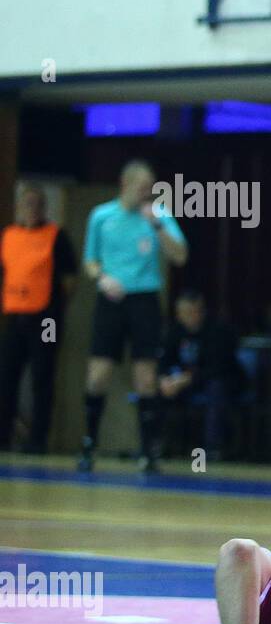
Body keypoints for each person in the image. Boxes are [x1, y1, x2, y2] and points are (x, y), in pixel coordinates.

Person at [79, 160, 188, 473]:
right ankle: (88, 444)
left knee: (145, 376)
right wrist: (102, 278)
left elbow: (180, 256)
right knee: (98, 372)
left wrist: (157, 225)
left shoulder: (160, 215)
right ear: (125, 184)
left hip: (145, 300)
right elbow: (90, 261)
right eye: (142, 187)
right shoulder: (102, 216)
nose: (146, 193)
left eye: (150, 188)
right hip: (111, 300)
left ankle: (149, 450)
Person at [0, 183, 78, 453]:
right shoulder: (8, 235)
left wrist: (56, 310)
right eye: (27, 203)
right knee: (7, 376)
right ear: (19, 206)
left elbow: (70, 278)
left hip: (47, 319)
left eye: (37, 203)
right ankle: (4, 436)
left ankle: (38, 440)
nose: (32, 208)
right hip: (14, 315)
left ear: (44, 207)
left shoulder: (56, 236)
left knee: (43, 375)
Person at [158, 290, 244, 461]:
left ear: (200, 311)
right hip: (187, 382)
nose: (185, 317)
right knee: (156, 389)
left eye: (189, 312)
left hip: (221, 380)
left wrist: (187, 379)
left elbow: (219, 367)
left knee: (216, 388)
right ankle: (158, 445)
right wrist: (164, 379)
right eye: (181, 313)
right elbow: (164, 361)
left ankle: (212, 448)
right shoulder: (175, 331)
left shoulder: (219, 330)